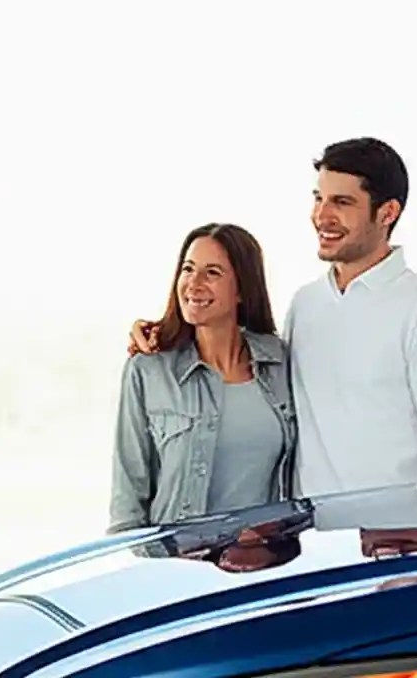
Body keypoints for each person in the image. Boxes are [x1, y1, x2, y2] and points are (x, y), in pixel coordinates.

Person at [130, 138, 417, 521]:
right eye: (318, 199)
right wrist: (163, 333)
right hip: (310, 547)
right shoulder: (305, 304)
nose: (321, 216)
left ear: (387, 212)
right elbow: (243, 361)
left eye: (341, 203)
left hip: (392, 549)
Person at [108, 222, 297, 534]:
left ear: (241, 289)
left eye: (212, 273)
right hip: (180, 570)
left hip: (266, 566)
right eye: (188, 269)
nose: (193, 284)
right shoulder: (149, 370)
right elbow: (127, 500)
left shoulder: (283, 363)